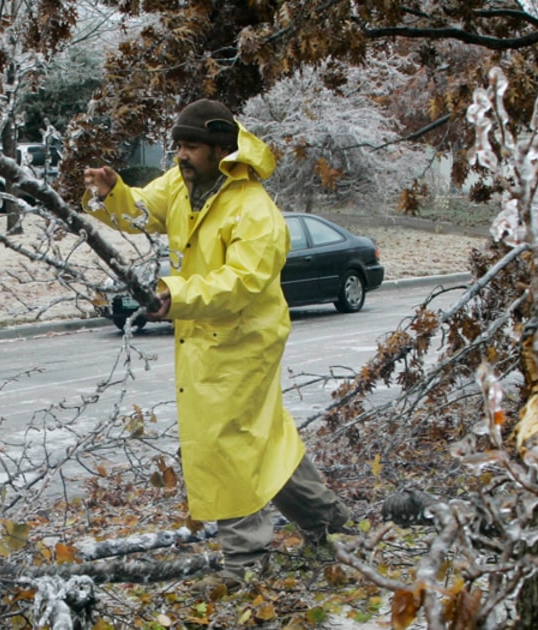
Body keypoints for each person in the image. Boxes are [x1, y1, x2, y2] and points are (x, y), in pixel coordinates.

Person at [82, 99, 352, 585]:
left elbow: (242, 282)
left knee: (227, 440)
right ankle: (329, 524)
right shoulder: (183, 186)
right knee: (262, 439)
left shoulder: (254, 210)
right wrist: (113, 194)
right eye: (178, 146)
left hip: (246, 340)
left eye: (191, 147)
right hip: (206, 336)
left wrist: (175, 293)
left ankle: (244, 562)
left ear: (222, 150)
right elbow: (142, 211)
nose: (181, 155)